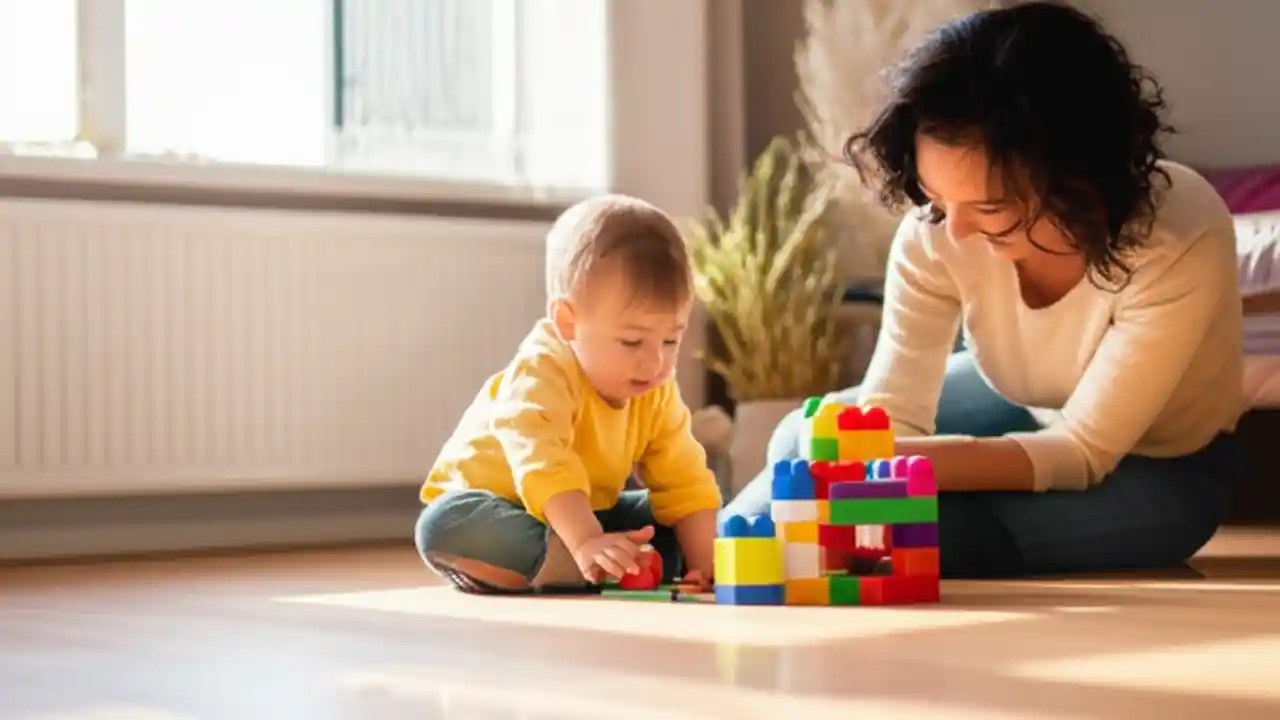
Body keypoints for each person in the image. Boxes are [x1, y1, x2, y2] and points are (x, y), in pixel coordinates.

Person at [722, 1, 1244, 578]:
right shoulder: (939, 229)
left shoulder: (1178, 236)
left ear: (1078, 180)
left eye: (990, 208)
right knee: (803, 439)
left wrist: (884, 470)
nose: (956, 231)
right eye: (937, 198)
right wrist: (865, 465)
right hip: (1028, 403)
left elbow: (1082, 451)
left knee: (929, 528)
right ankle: (696, 540)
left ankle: (711, 547)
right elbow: (893, 410)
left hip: (1159, 466)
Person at [416, 194, 722, 593]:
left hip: (587, 515)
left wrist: (708, 564)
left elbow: (684, 478)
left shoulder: (654, 387)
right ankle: (578, 560)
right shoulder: (542, 370)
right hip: (496, 505)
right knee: (443, 527)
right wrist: (585, 540)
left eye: (671, 340)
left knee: (678, 517)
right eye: (632, 342)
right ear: (567, 323)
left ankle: (591, 562)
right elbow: (544, 462)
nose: (655, 363)